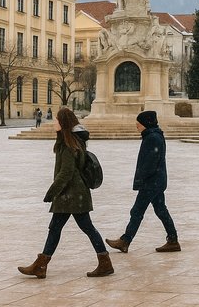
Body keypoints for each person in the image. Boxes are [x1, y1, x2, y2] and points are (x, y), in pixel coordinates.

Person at [18, 108, 113, 279]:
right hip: (74, 195)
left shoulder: (69, 145)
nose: (53, 122)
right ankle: (41, 265)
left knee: (78, 228)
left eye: (56, 120)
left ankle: (104, 263)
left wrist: (51, 192)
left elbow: (66, 172)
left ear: (63, 123)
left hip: (71, 195)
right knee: (61, 228)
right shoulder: (73, 141)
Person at [106, 111, 181, 253]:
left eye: (138, 123)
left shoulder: (152, 138)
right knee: (161, 210)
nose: (136, 126)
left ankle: (125, 240)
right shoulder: (154, 135)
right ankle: (173, 240)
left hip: (151, 182)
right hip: (156, 181)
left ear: (145, 123)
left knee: (137, 211)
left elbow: (149, 163)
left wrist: (141, 179)